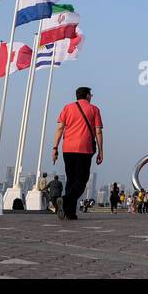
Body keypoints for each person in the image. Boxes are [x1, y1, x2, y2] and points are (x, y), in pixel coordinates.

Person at [51, 86, 105, 220]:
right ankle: (65, 200)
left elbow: (59, 128)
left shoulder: (67, 108)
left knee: (71, 180)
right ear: (87, 96)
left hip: (67, 148)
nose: (91, 97)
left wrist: (55, 148)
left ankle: (70, 212)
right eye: (90, 95)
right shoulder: (94, 109)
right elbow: (98, 131)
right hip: (85, 149)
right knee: (81, 181)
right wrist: (101, 151)